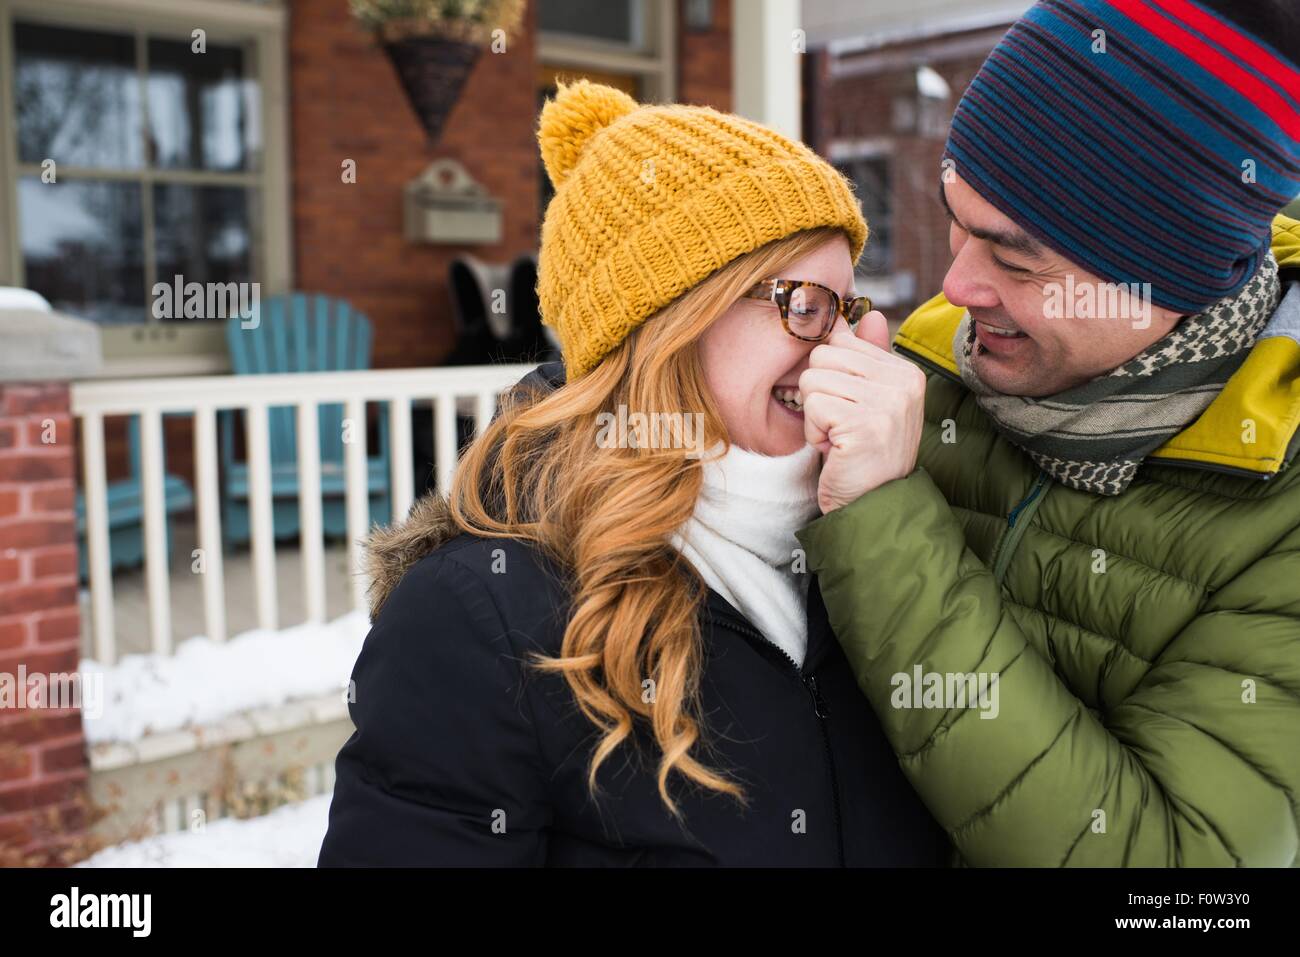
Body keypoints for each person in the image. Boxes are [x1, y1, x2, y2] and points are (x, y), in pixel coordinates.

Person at [318, 80, 948, 866]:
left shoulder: (869, 546)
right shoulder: (478, 621)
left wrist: (886, 520)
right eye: (803, 304)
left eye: (848, 311)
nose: (843, 351)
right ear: (673, 320)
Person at [792, 0, 1300, 865]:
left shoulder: (1279, 515)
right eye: (956, 218)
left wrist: (882, 523)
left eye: (1015, 257)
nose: (956, 286)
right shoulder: (927, 368)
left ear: (1168, 279)